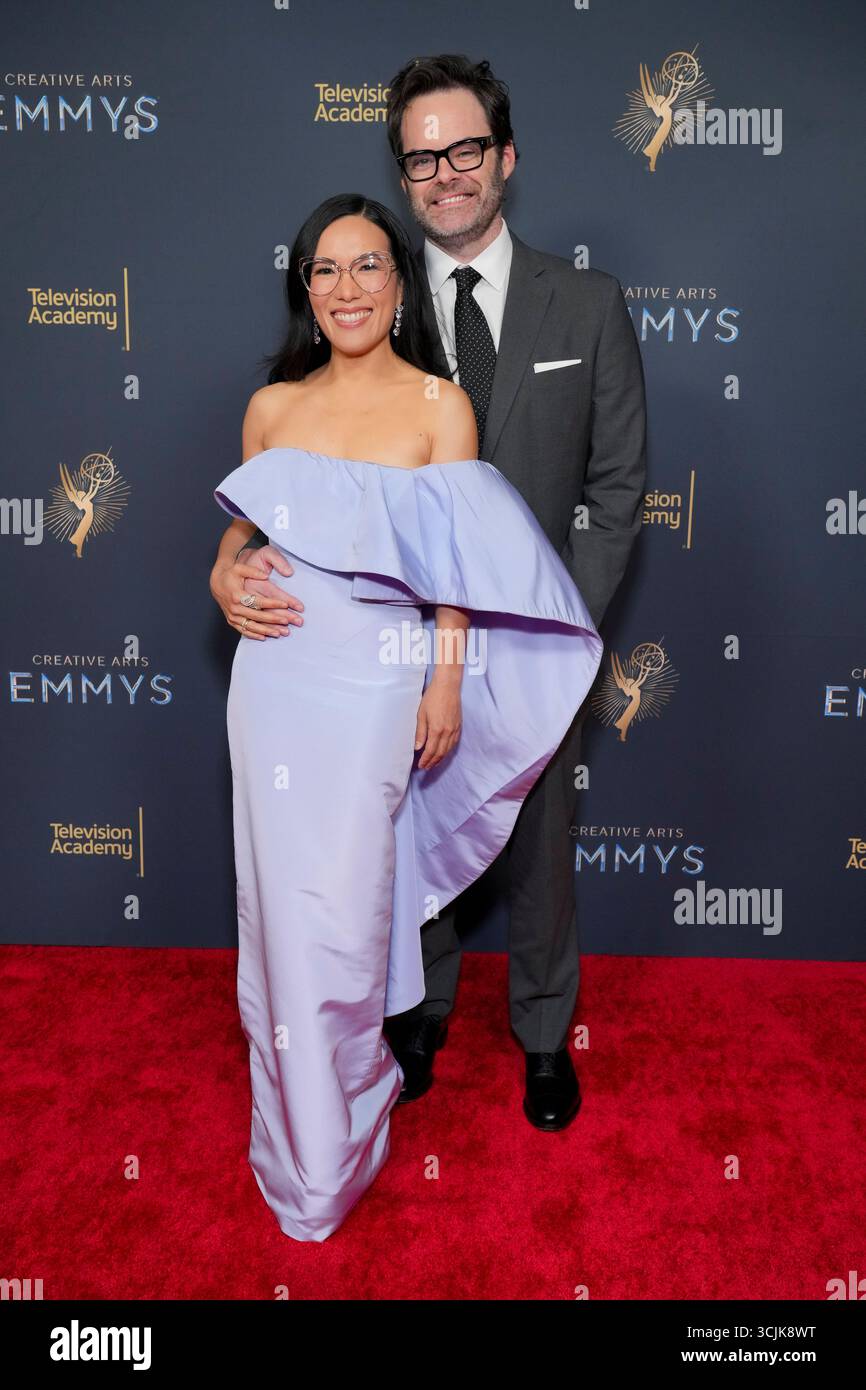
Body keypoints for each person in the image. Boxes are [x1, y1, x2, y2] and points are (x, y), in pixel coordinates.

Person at [211, 55, 647, 1135]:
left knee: (537, 839)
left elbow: (616, 486)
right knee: (398, 830)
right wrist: (228, 563)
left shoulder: (584, 302)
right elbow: (301, 494)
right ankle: (418, 1012)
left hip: (529, 632)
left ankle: (544, 1038)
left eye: (463, 150)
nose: (444, 172)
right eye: (421, 156)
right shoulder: (377, 315)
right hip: (392, 643)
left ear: (502, 158)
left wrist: (554, 624)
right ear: (401, 174)